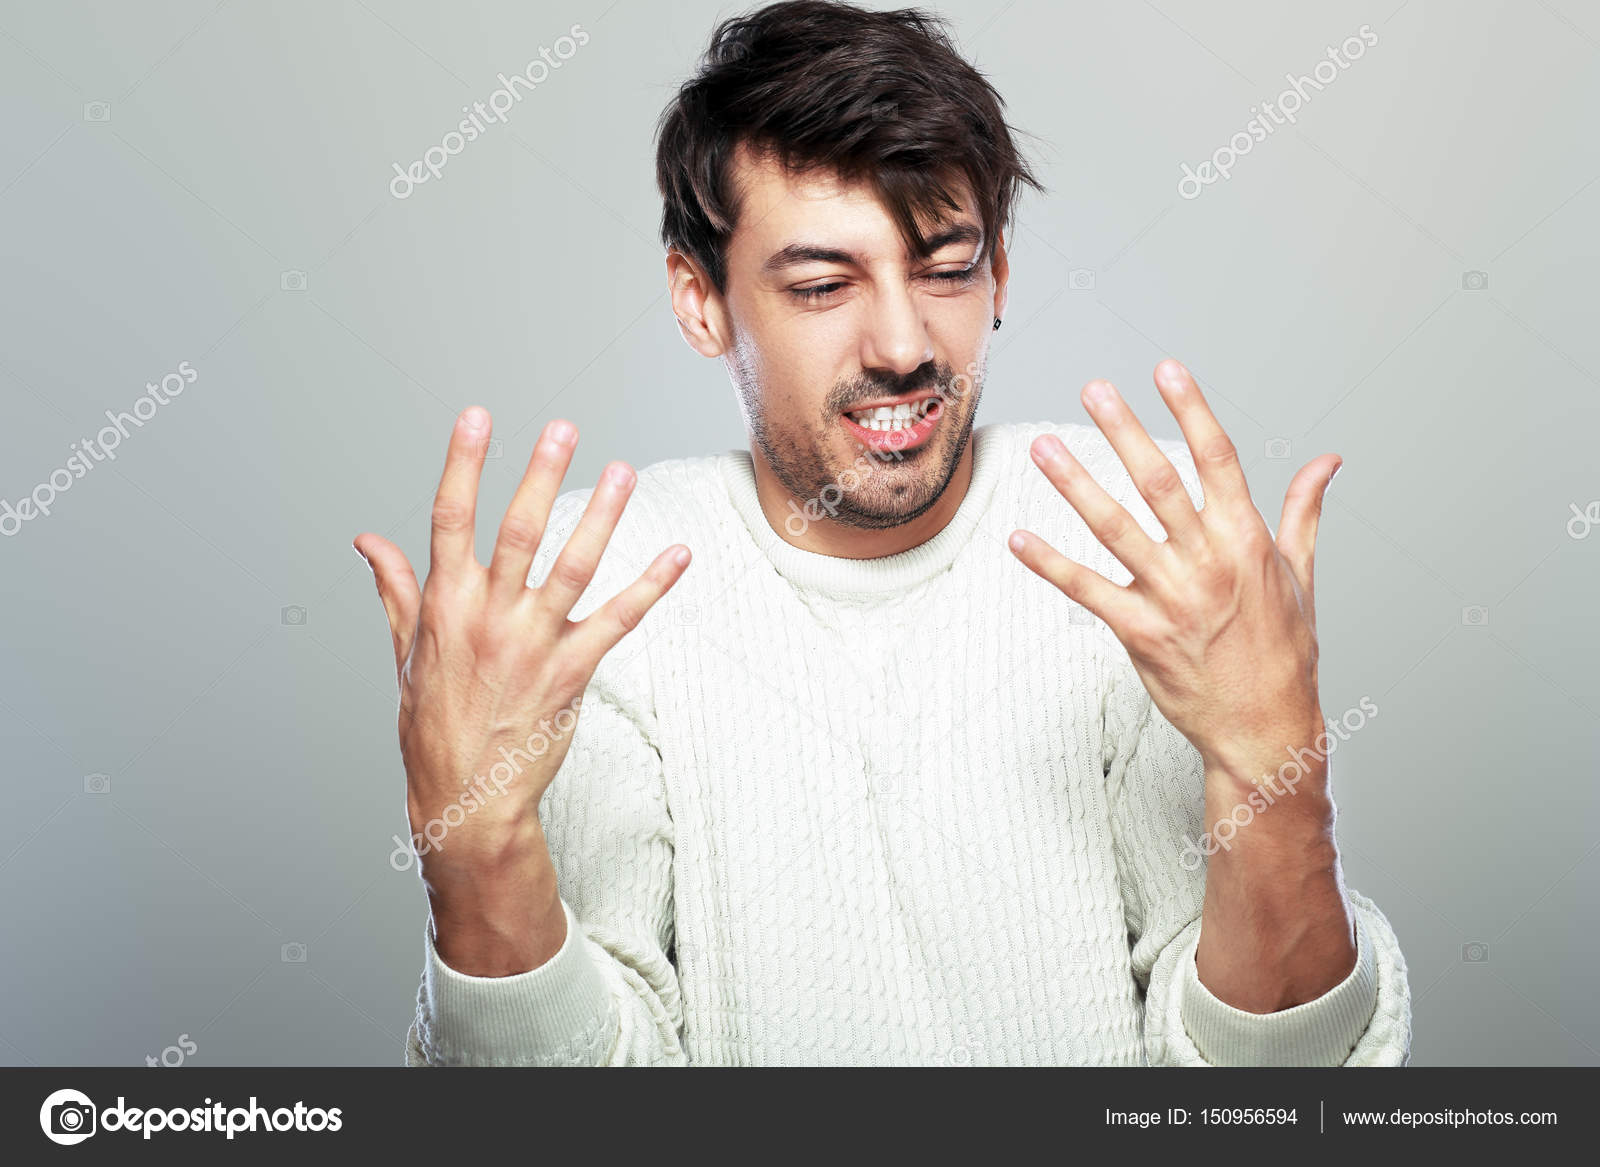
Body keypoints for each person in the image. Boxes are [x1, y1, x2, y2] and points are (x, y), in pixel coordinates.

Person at [357, 0, 1410, 1065]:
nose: (904, 343)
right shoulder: (592, 593)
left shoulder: (1147, 550)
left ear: (997, 273)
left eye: (946, 268)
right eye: (821, 285)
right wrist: (476, 859)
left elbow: (1273, 1099)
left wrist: (1281, 781)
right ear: (700, 301)